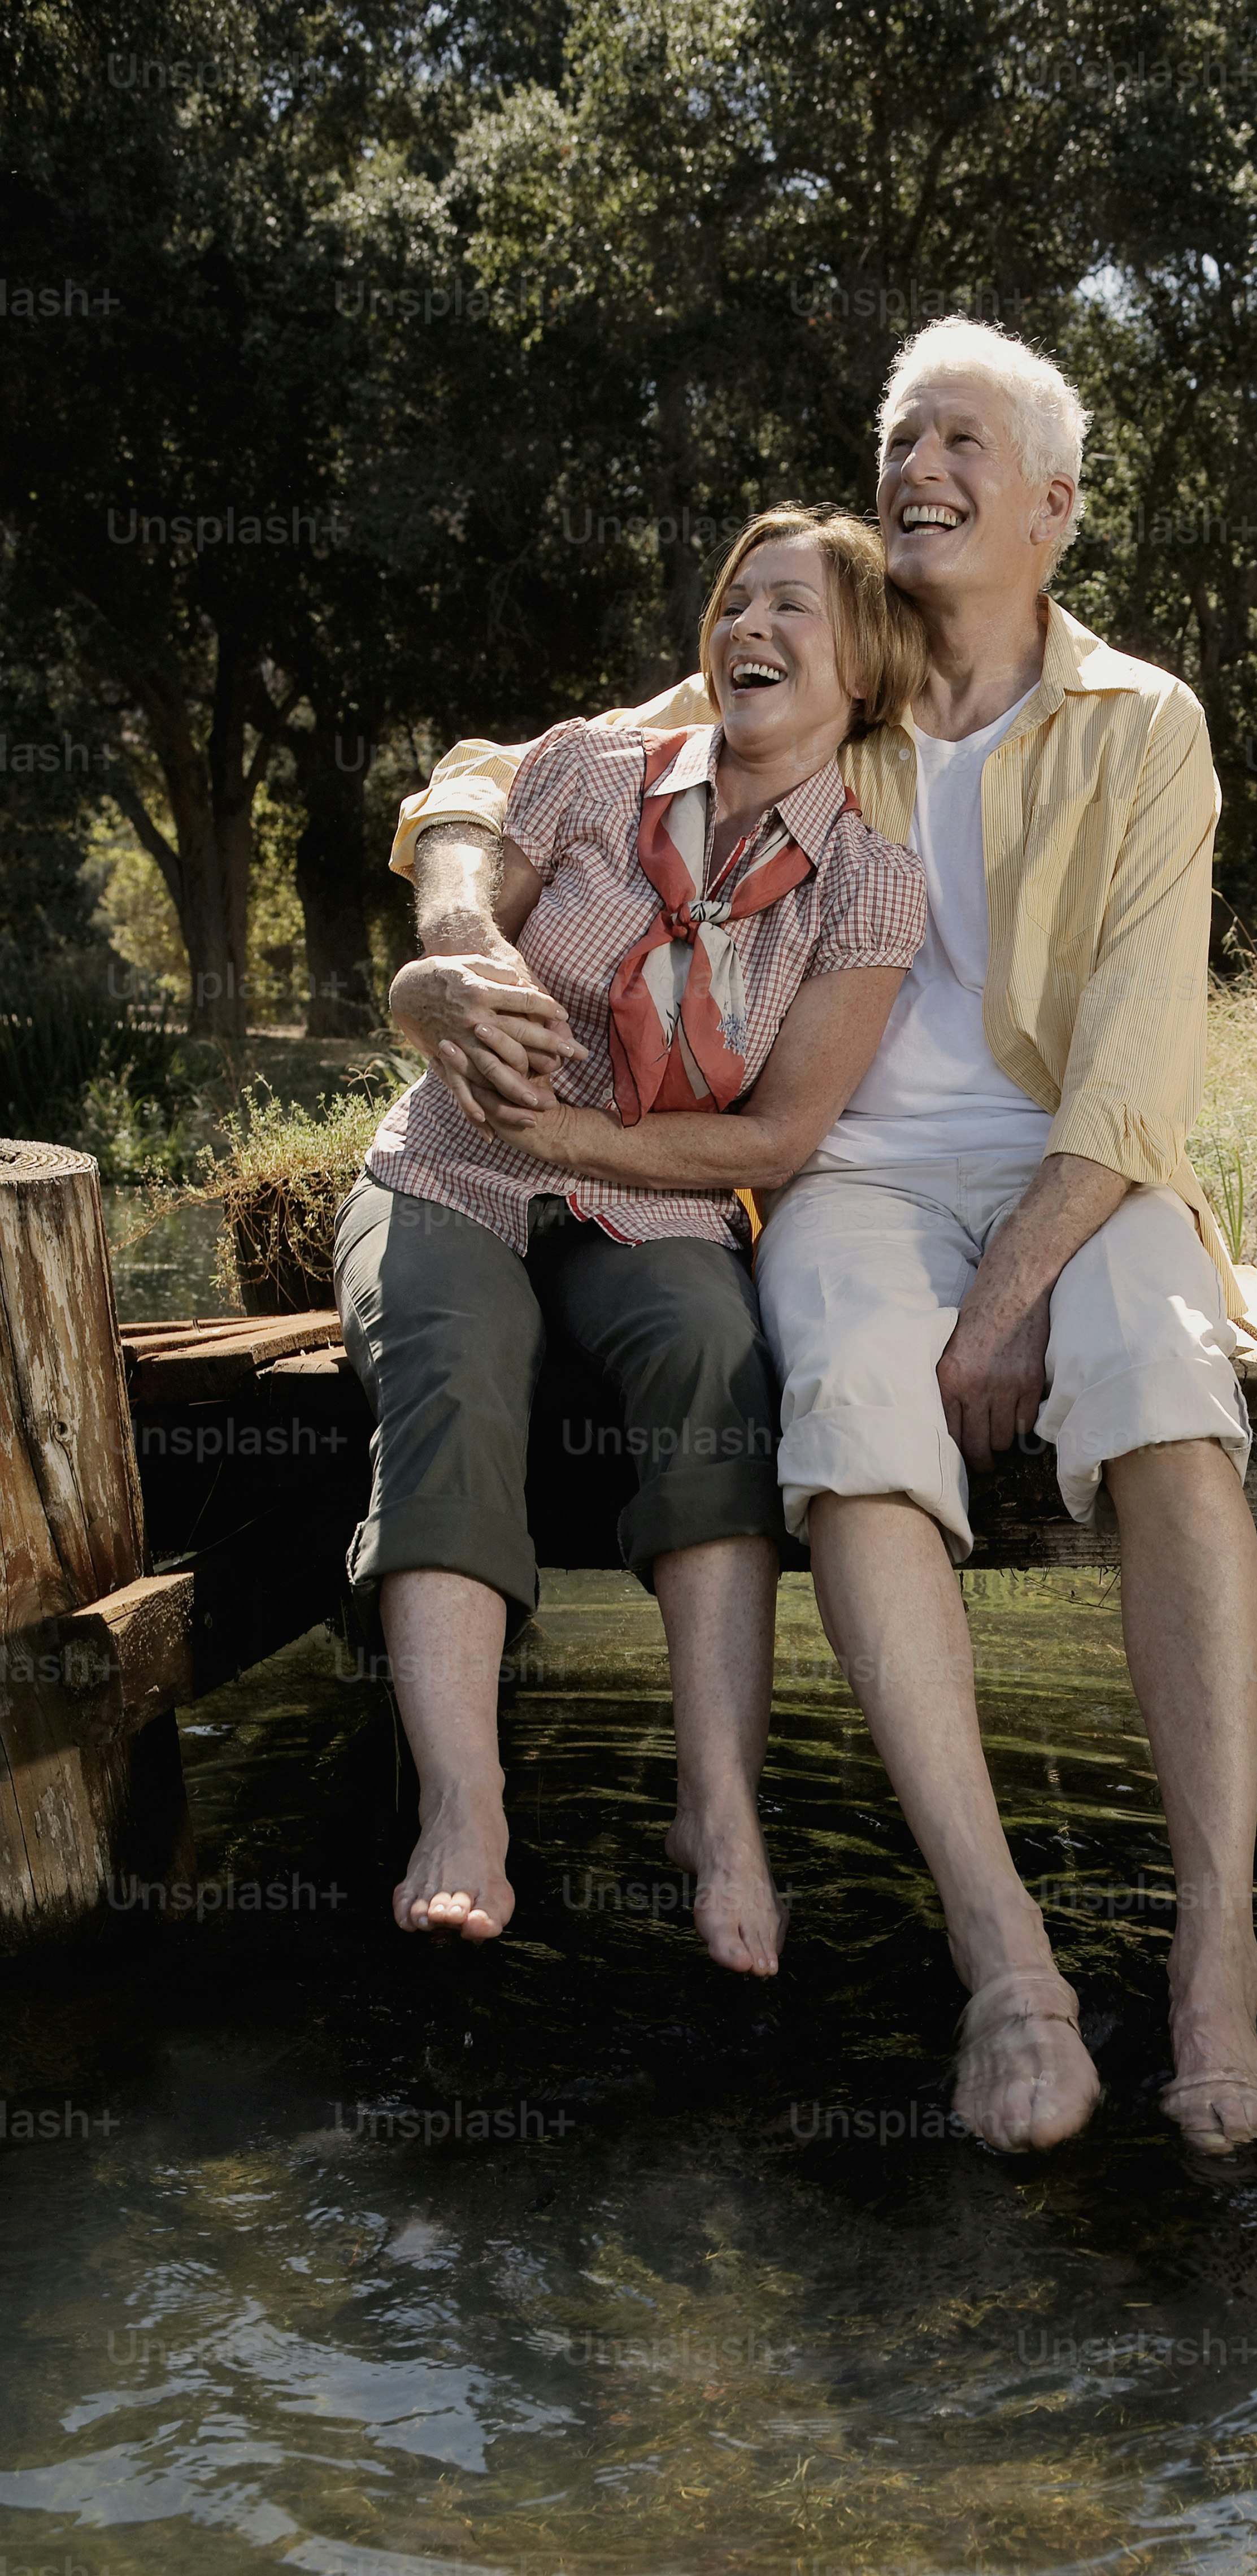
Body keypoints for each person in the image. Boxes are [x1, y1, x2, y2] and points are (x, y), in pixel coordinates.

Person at [388, 319, 1257, 2163]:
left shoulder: (1146, 726)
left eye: (961, 442)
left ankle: (1220, 1970)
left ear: (1052, 503)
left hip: (1082, 1174)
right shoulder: (826, 672)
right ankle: (1007, 1969)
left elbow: (1134, 1081)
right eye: (900, 438)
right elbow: (504, 768)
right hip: (843, 1183)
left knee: (1170, 1403)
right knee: (858, 1442)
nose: (918, 469)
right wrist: (446, 924)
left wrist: (1016, 1299)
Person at [342, 509, 925, 1969]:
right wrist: (439, 981)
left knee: (716, 1356)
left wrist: (583, 1145)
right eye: (739, 600)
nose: (751, 628)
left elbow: (777, 1138)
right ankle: (464, 1808)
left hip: (653, 1183)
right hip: (459, 1160)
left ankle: (717, 1811)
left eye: (796, 608)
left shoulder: (871, 883)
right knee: (457, 1361)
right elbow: (450, 941)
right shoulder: (591, 772)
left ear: (866, 669)